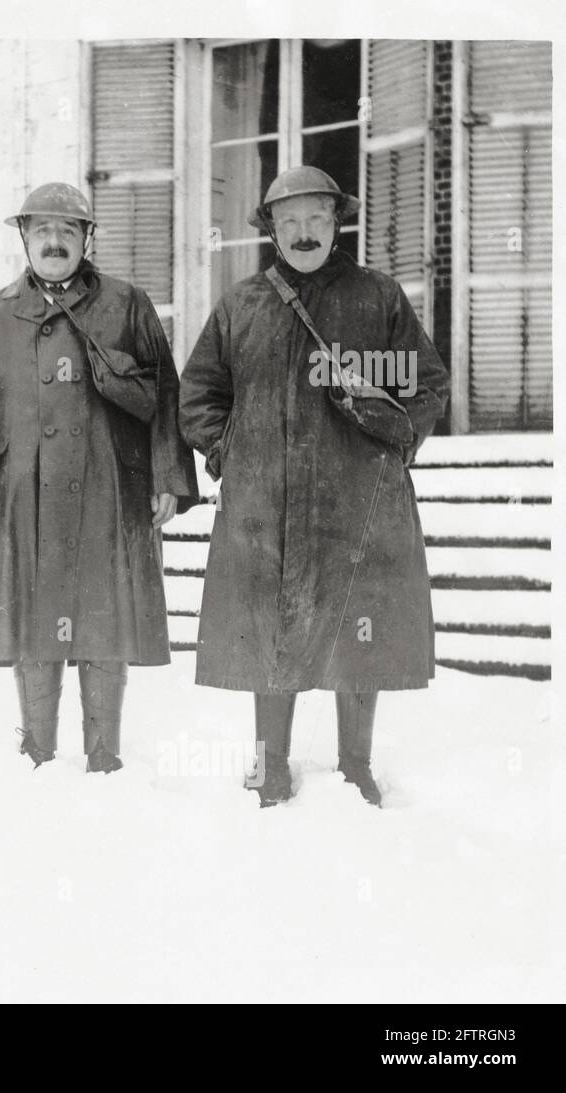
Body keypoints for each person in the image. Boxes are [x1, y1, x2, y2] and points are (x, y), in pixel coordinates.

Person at [178, 165, 450, 807]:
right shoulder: (240, 305)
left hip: (359, 497)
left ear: (337, 223)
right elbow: (199, 394)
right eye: (290, 221)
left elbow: (427, 383)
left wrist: (396, 439)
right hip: (266, 499)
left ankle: (355, 764)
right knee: (272, 626)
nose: (304, 233)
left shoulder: (378, 297)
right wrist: (228, 452)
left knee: (362, 625)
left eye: (317, 219)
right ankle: (271, 764)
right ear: (271, 230)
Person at [0, 182, 198, 773]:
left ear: (87, 239)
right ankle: (39, 753)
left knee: (104, 616)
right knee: (34, 616)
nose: (55, 242)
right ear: (24, 239)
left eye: (68, 231)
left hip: (109, 486)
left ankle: (104, 756)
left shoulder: (127, 304)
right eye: (43, 231)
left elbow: (166, 395)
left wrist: (167, 477)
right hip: (18, 489)